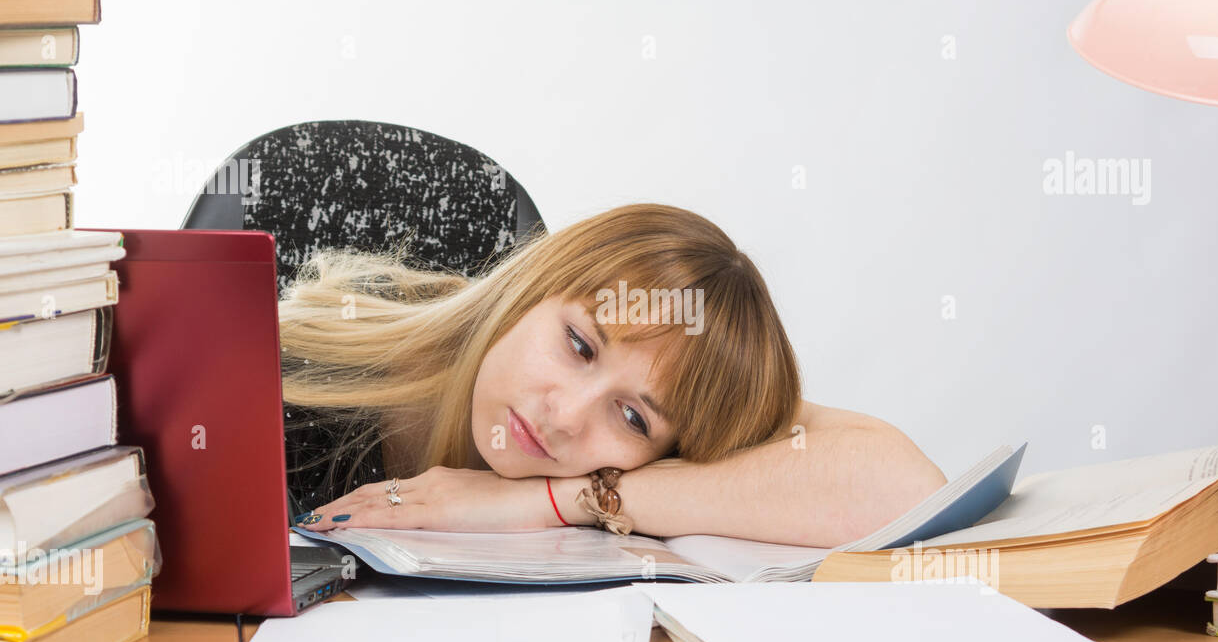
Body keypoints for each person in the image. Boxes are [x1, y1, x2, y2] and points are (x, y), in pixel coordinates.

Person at [282, 202, 946, 547]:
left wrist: (561, 501)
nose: (565, 416)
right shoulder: (305, 359)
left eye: (633, 418)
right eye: (579, 345)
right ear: (536, 284)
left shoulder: (594, 485)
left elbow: (904, 487)